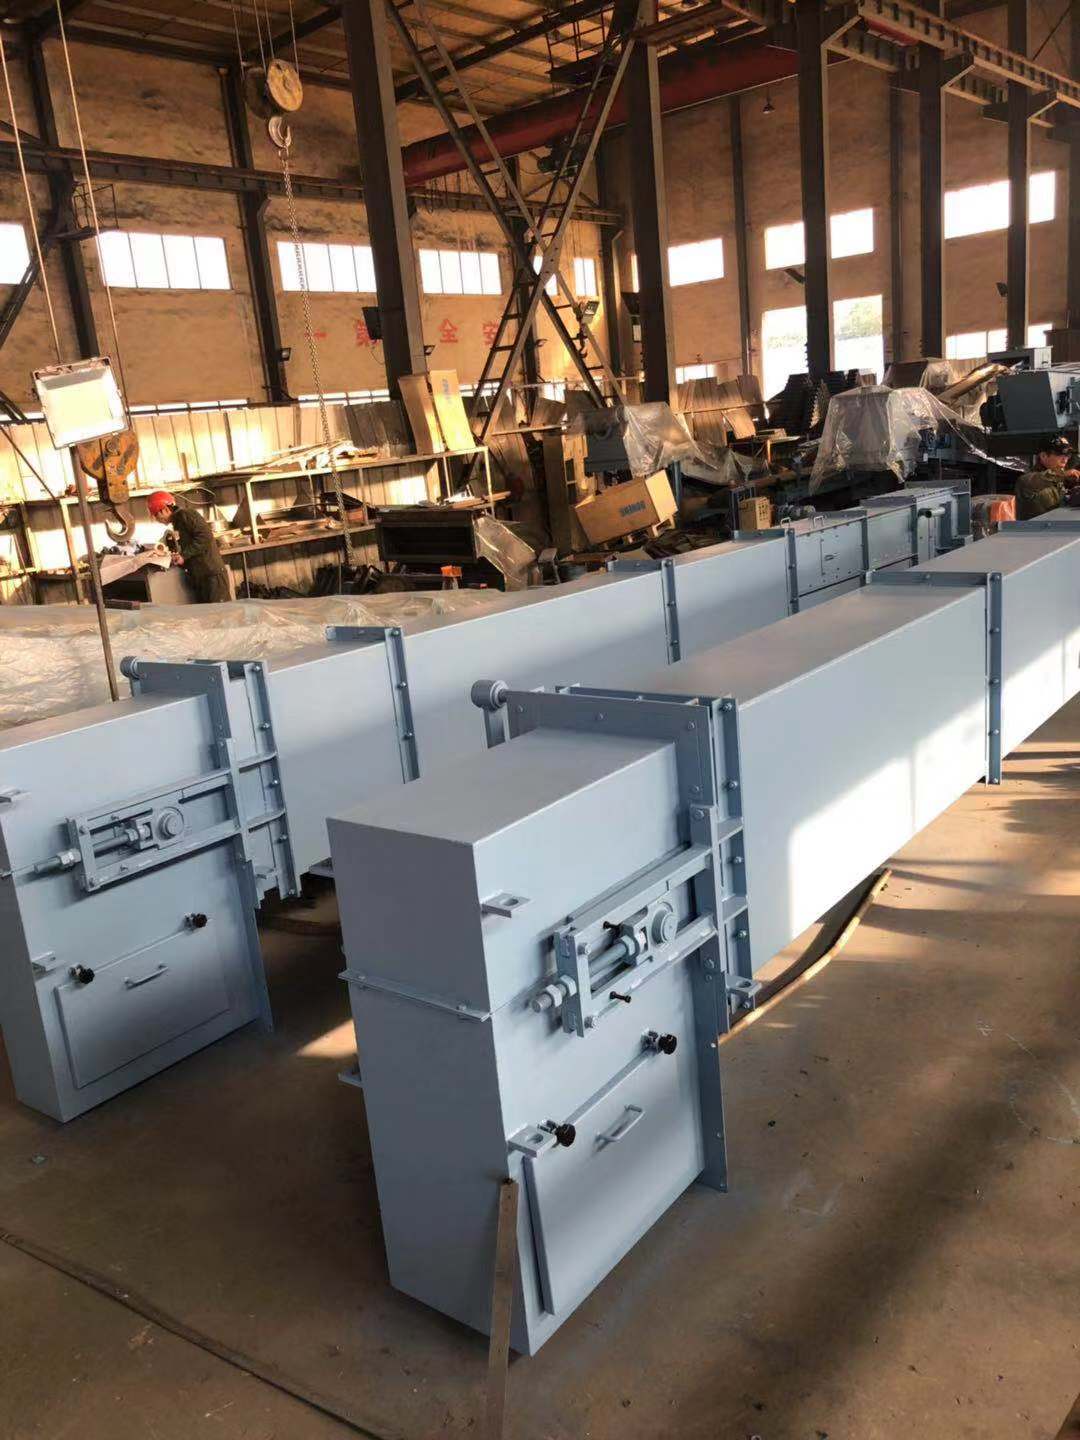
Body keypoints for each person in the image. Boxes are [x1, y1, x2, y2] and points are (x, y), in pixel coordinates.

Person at [146, 491, 231, 603]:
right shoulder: (177, 522)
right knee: (208, 612)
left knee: (221, 612)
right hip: (201, 577)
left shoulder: (186, 515)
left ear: (165, 509)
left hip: (212, 576)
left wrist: (184, 556)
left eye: (156, 515)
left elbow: (204, 537)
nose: (157, 520)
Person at [1015, 436, 1080, 520]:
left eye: (1068, 454)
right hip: (1037, 527)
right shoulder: (1029, 481)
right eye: (1059, 454)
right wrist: (1063, 475)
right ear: (1043, 456)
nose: (1065, 459)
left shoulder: (1059, 481)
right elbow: (1027, 481)